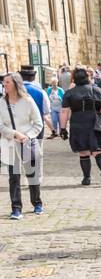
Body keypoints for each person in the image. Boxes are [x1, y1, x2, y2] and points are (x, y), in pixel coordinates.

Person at [60, 66, 101, 187]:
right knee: (99, 151)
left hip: (78, 123)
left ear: (73, 79)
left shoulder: (69, 93)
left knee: (84, 152)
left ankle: (87, 178)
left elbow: (64, 112)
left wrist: (62, 128)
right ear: (88, 77)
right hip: (96, 122)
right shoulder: (98, 90)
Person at [2, 72, 44, 217]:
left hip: (27, 142)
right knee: (13, 177)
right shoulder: (1, 102)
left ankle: (37, 203)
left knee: (32, 174)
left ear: (15, 83)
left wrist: (27, 136)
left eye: (7, 82)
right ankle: (16, 208)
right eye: (4, 82)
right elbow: (0, 126)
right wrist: (14, 134)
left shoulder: (28, 101)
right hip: (10, 144)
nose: (4, 84)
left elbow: (38, 124)